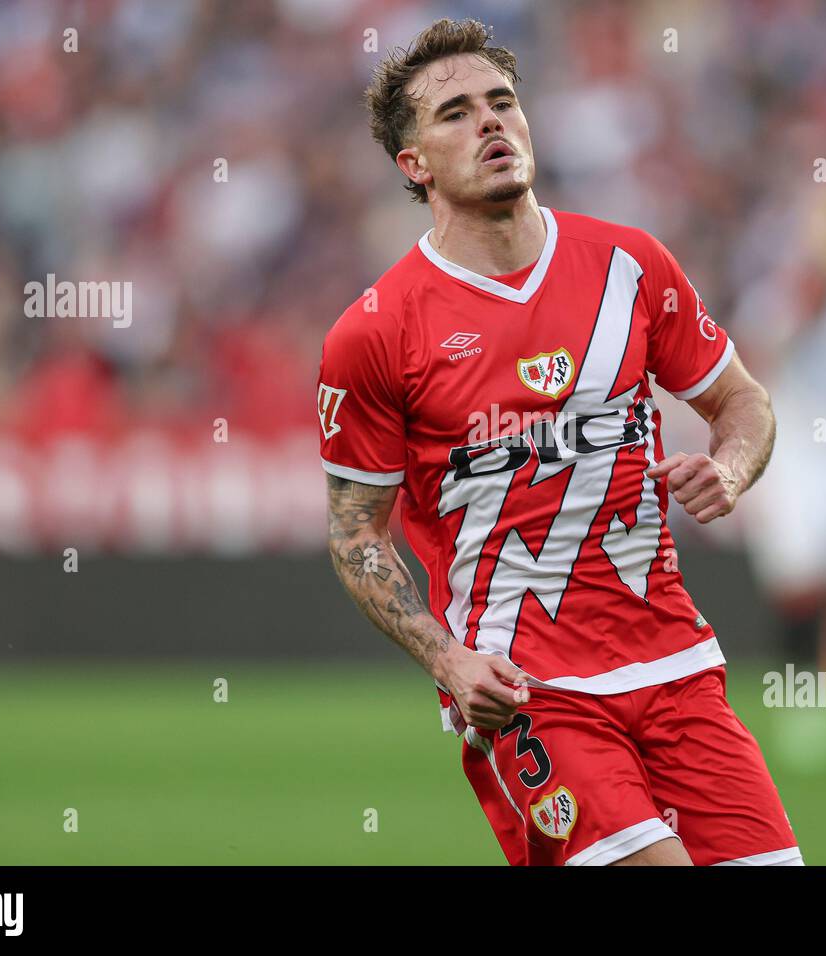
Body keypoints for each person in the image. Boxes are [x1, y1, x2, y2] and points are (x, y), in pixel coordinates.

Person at [317, 17, 801, 866]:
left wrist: (729, 469)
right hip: (527, 688)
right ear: (414, 164)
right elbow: (357, 533)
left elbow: (742, 401)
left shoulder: (630, 265)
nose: (491, 122)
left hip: (678, 667)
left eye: (503, 101)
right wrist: (446, 660)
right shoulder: (376, 333)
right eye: (456, 113)